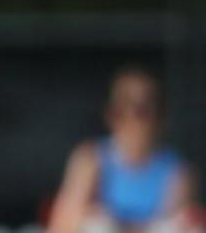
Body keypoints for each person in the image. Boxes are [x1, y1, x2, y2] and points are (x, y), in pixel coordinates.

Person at [50, 66, 201, 233]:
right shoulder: (91, 159)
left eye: (144, 110)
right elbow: (61, 225)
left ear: (161, 118)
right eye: (125, 108)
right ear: (111, 115)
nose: (134, 120)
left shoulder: (178, 172)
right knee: (98, 225)